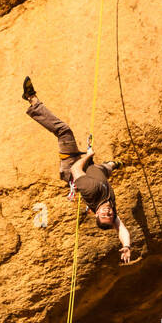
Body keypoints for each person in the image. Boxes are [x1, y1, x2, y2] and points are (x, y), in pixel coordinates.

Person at [23, 76, 133, 264]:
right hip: (95, 171)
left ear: (96, 213)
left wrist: (88, 154)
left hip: (73, 165)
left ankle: (31, 99)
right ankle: (112, 165)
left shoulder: (90, 191)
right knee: (105, 168)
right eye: (111, 216)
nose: (109, 213)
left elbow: (75, 169)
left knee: (64, 131)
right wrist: (127, 246)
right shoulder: (110, 210)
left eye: (104, 215)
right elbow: (121, 228)